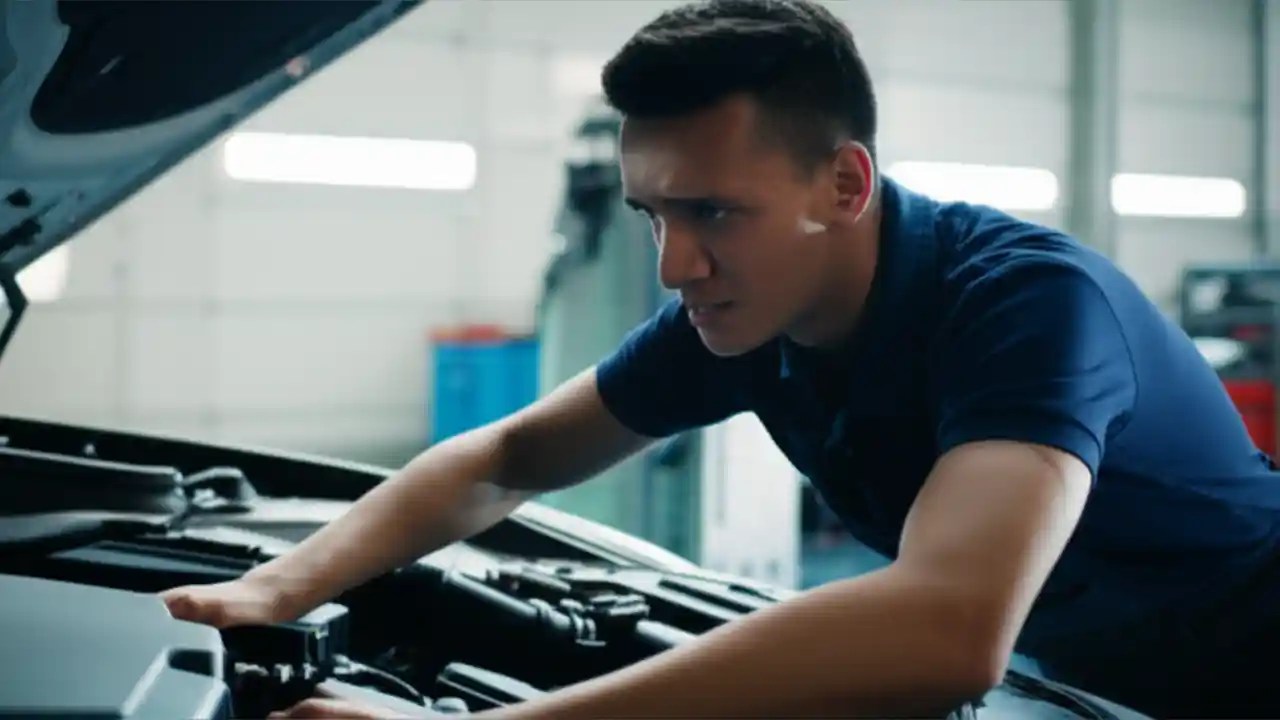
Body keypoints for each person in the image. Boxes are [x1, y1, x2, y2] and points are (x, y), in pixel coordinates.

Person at [162, 1, 1280, 718]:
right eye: (653, 214)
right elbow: (506, 460)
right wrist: (269, 589)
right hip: (1079, 672)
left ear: (843, 185)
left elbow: (948, 628)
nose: (673, 265)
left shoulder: (1029, 306)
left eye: (711, 212)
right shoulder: (745, 316)